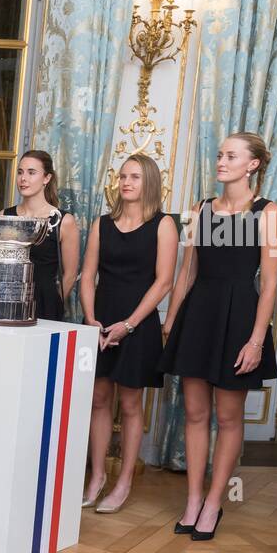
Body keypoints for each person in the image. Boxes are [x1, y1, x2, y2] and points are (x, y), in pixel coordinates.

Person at [159, 132, 277, 540]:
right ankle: (193, 499)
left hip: (241, 317)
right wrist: (171, 322)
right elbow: (187, 272)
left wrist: (256, 340)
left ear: (253, 164)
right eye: (219, 154)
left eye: (231, 155)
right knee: (194, 413)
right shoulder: (201, 209)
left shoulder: (268, 213)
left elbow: (269, 283)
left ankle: (214, 503)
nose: (221, 161)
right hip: (200, 313)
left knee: (228, 417)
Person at [80, 154, 177, 514]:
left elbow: (164, 281)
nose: (126, 182)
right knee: (98, 399)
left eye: (134, 177)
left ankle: (124, 482)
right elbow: (87, 275)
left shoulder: (163, 225)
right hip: (100, 322)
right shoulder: (101, 224)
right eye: (122, 176)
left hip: (138, 325)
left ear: (149, 181)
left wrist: (130, 324)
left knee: (131, 404)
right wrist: (91, 318)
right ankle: (97, 476)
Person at [3, 150, 79, 321]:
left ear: (46, 178)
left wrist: (53, 302)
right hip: (7, 299)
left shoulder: (64, 221)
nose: (23, 178)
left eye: (31, 172)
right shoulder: (4, 216)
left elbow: (71, 274)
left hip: (45, 304)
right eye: (20, 172)